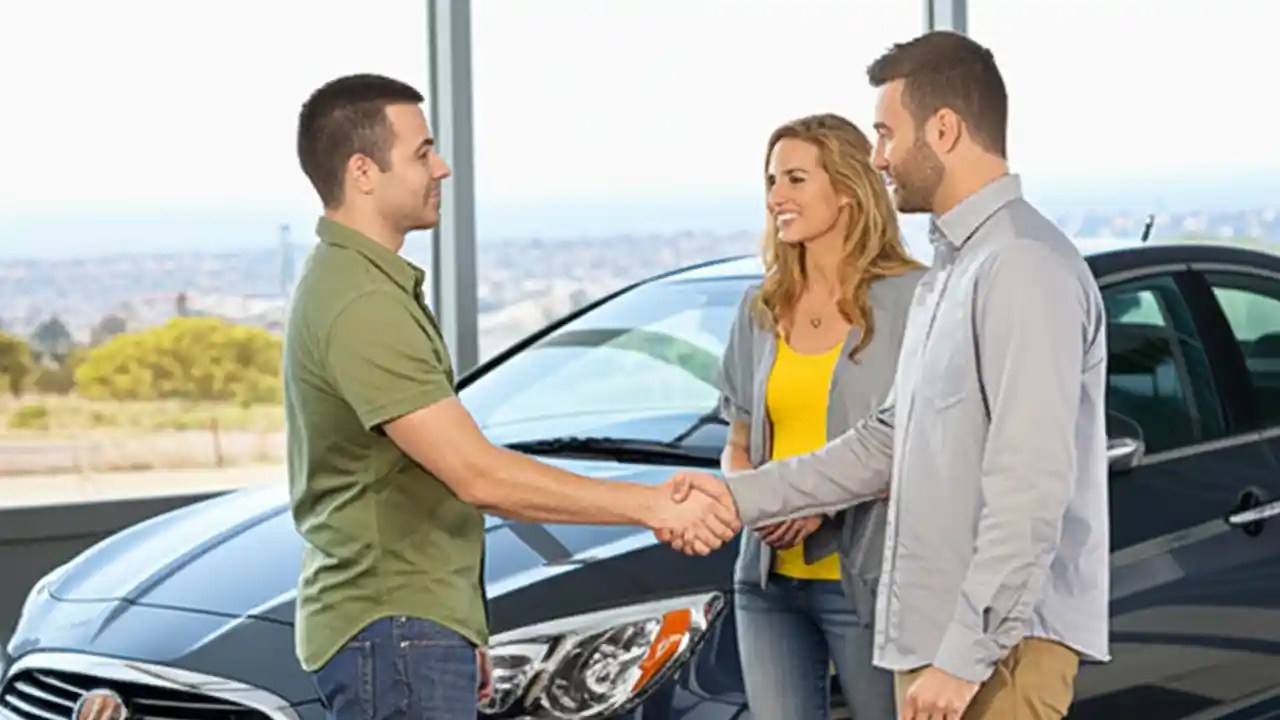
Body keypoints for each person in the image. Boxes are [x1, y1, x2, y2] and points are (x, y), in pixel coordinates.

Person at [662, 31, 1109, 720]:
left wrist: (961, 663)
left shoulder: (1021, 267)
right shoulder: (957, 270)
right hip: (937, 643)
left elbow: (1030, 488)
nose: (878, 157)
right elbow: (885, 442)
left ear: (945, 129)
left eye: (884, 133)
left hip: (993, 652)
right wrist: (738, 496)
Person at [283, 73, 739, 720]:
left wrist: (455, 622)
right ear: (363, 172)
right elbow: (476, 474)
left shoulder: (355, 285)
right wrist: (652, 506)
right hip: (395, 628)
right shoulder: (362, 304)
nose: (440, 168)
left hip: (409, 625)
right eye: (421, 153)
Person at [718, 113, 924, 719]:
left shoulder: (917, 298)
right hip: (767, 584)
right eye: (771, 180)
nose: (776, 197)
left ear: (848, 187)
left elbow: (927, 448)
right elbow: (739, 441)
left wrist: (818, 504)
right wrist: (753, 499)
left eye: (796, 179)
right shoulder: (761, 306)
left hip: (869, 583)